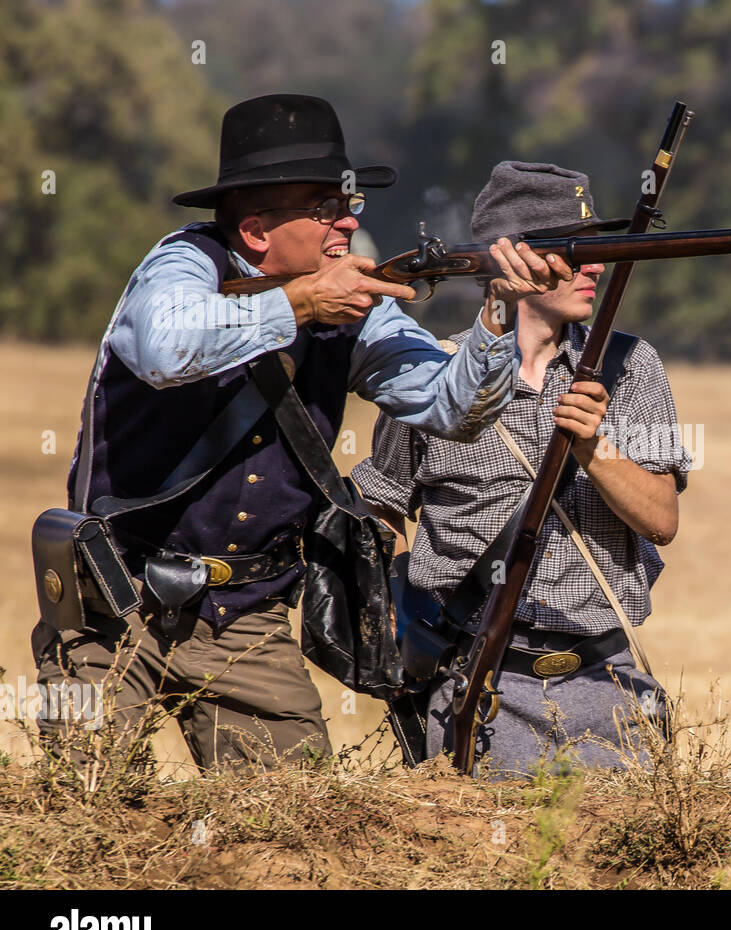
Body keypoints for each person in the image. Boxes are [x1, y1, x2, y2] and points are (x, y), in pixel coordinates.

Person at [31, 94, 571, 771]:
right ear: (256, 230)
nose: (347, 221)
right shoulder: (183, 265)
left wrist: (499, 312)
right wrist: (300, 303)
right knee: (80, 813)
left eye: (349, 205)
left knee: (298, 833)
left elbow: (453, 410)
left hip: (251, 617)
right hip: (112, 600)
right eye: (325, 208)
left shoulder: (353, 303)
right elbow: (165, 348)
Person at [352, 161, 692, 777]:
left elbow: (661, 520)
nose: (595, 266)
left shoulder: (631, 365)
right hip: (474, 690)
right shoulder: (433, 373)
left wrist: (594, 448)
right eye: (576, 251)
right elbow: (380, 511)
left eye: (599, 250)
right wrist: (398, 640)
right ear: (510, 260)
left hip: (602, 687)